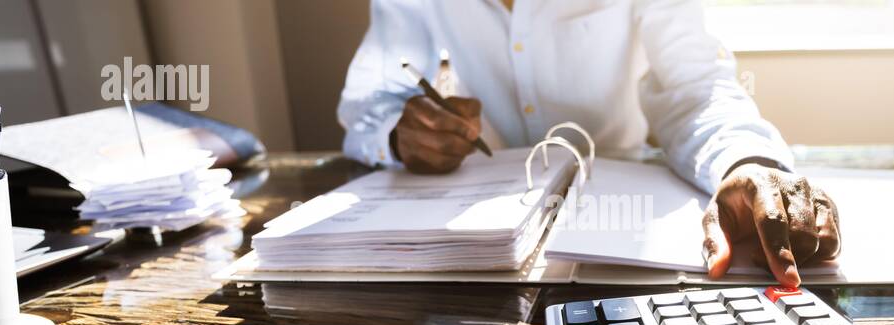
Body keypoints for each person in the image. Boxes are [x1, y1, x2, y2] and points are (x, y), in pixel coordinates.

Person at [338, 0, 840, 286]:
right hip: (486, 248)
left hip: (627, 237)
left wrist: (747, 158)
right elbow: (369, 102)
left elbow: (694, 83)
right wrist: (399, 136)